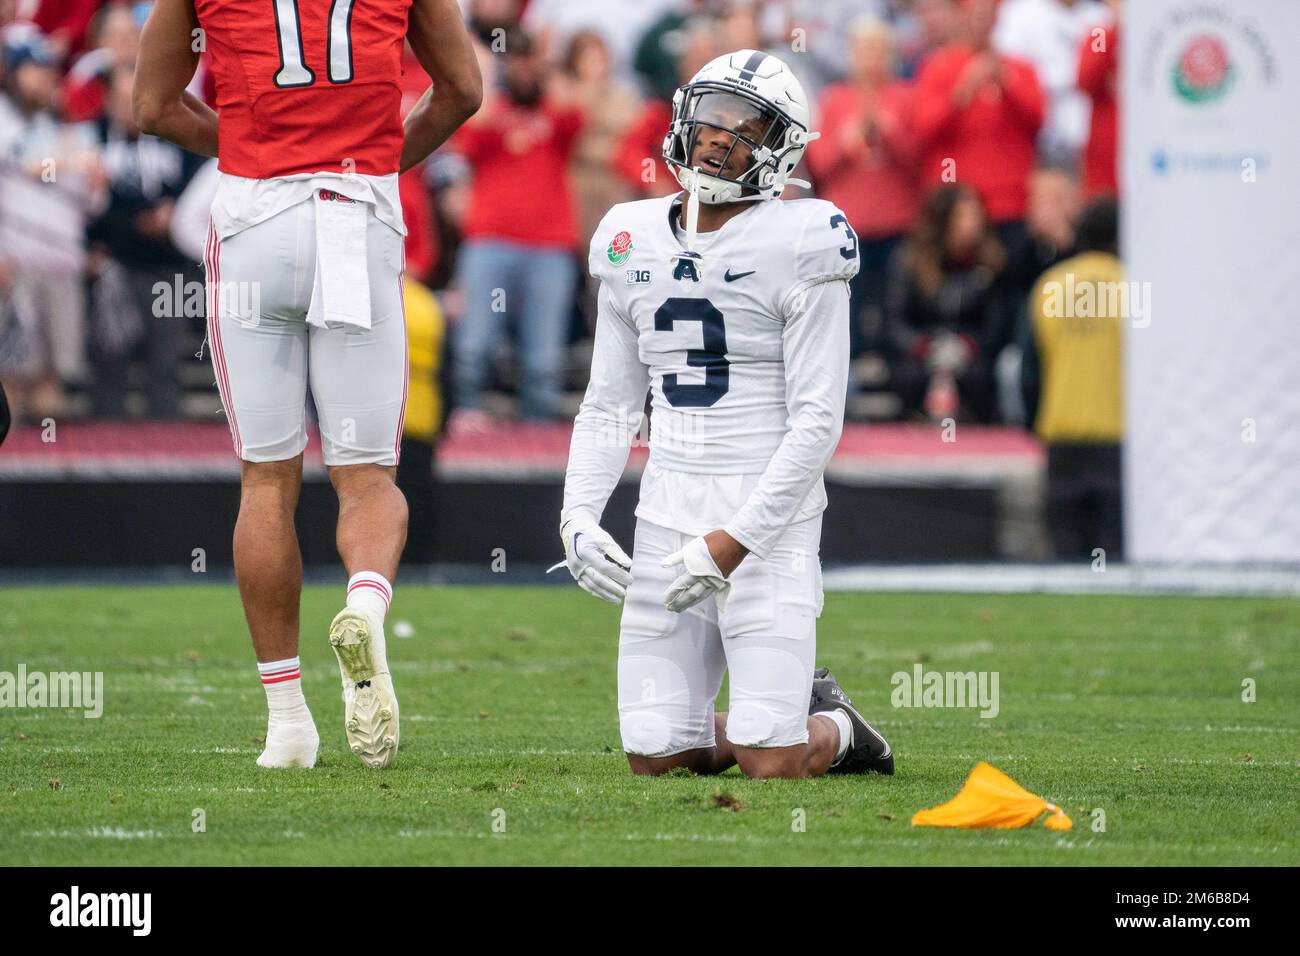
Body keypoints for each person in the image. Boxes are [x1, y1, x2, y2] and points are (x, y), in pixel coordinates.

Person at [133, 0, 482, 769]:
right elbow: (461, 90)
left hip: (256, 217)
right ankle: (363, 603)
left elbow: (153, 107)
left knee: (265, 480)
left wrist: (251, 145)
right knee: (366, 478)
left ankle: (288, 723)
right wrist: (384, 158)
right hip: (355, 215)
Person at [559, 50, 893, 780]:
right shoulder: (627, 235)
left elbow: (816, 422)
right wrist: (578, 516)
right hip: (668, 506)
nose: (719, 137)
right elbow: (611, 403)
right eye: (711, 117)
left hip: (767, 515)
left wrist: (734, 540)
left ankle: (839, 728)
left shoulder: (805, 237)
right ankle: (749, 722)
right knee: (656, 757)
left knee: (770, 761)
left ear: (783, 150)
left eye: (746, 127)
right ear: (683, 118)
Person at [447, 28, 583, 429]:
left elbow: (575, 111)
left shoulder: (555, 113)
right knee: (476, 343)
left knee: (544, 354)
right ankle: (466, 413)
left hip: (549, 245)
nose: (525, 69)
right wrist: (491, 77)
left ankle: (539, 431)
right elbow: (467, 136)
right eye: (517, 61)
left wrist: (547, 63)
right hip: (490, 241)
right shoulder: (492, 108)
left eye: (530, 61)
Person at [1020, 197, 1123, 559]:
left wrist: (1035, 422)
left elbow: (1028, 371)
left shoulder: (1050, 286)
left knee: (1065, 559)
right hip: (1119, 441)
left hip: (1062, 440)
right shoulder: (1135, 288)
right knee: (1115, 557)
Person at [884, 184, 1007, 422]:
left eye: (976, 215)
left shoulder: (992, 262)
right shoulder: (911, 260)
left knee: (980, 376)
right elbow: (894, 321)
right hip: (922, 351)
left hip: (970, 354)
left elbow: (997, 324)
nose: (973, 224)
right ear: (944, 220)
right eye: (964, 216)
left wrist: (967, 346)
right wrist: (925, 347)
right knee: (909, 376)